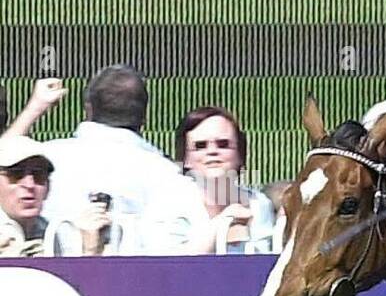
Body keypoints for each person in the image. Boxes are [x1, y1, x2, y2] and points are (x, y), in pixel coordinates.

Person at [39, 65, 209, 254]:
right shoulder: (167, 173)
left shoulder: (41, 158)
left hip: (49, 278)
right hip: (138, 279)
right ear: (144, 116)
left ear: (88, 108)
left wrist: (36, 107)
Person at [175, 107, 277, 253]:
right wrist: (223, 222)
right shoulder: (169, 206)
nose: (212, 151)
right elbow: (172, 267)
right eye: (200, 146)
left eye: (223, 144)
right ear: (185, 158)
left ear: (240, 154)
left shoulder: (259, 205)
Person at [0, 136, 108, 257]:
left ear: (48, 187)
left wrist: (90, 251)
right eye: (16, 174)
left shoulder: (59, 234)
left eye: (39, 175)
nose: (29, 185)